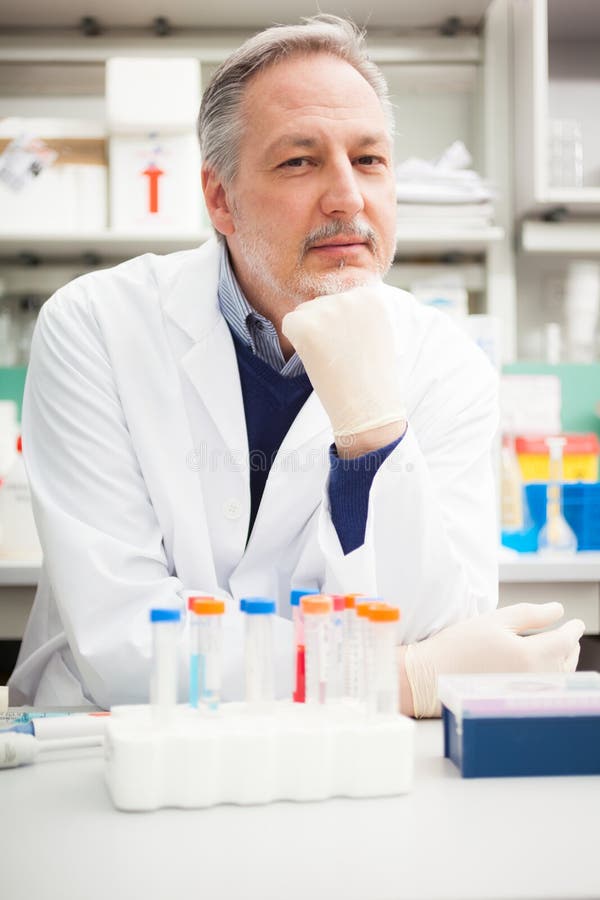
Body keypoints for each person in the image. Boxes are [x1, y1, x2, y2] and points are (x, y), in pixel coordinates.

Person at [9, 16, 583, 715]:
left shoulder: (448, 365)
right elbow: (125, 648)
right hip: (108, 744)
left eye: (369, 160)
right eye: (299, 162)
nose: (347, 197)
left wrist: (372, 425)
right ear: (220, 199)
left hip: (343, 753)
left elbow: (435, 625)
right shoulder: (96, 326)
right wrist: (400, 679)